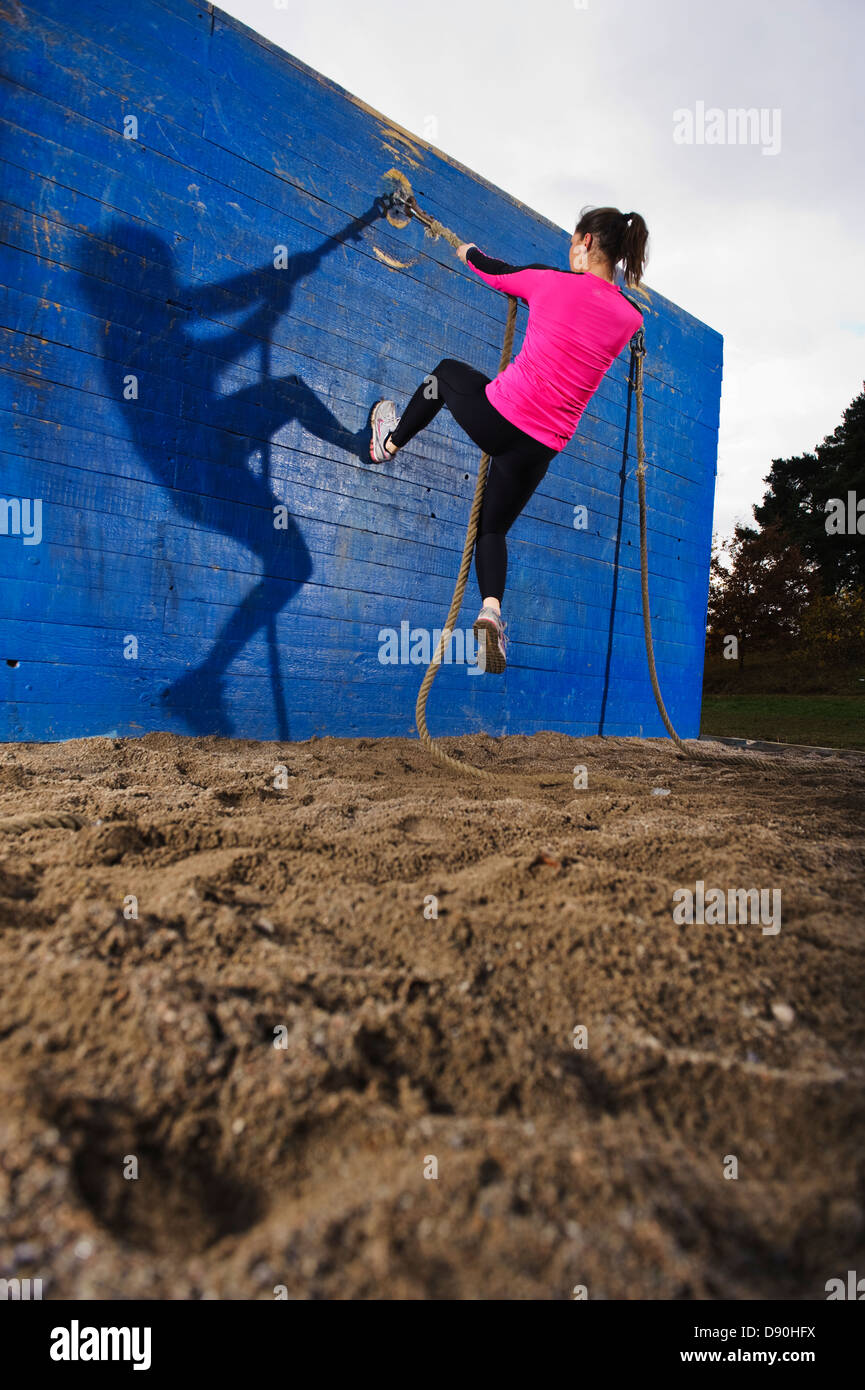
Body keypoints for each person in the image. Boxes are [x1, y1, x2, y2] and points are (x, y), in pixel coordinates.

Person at [369, 206, 648, 673]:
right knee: (493, 530)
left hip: (500, 418)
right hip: (539, 449)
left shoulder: (549, 281)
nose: (570, 250)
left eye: (573, 242)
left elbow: (493, 272)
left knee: (444, 375)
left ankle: (388, 443)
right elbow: (613, 309)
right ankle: (491, 612)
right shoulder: (630, 319)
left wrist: (464, 249)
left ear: (586, 242)